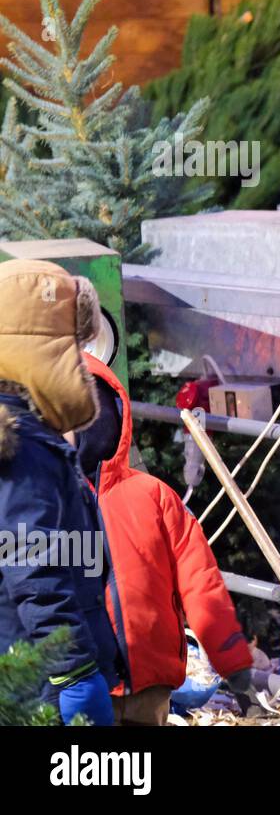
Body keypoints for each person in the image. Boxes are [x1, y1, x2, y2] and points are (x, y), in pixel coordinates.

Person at [76, 353, 257, 725]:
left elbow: (200, 584)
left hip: (150, 687)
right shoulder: (40, 503)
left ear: (117, 415)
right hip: (78, 686)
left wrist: (234, 664)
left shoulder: (155, 496)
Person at [0, 259, 121, 725]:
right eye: (74, 346)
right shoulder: (21, 445)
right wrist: (74, 672)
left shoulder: (28, 433)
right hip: (37, 683)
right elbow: (34, 565)